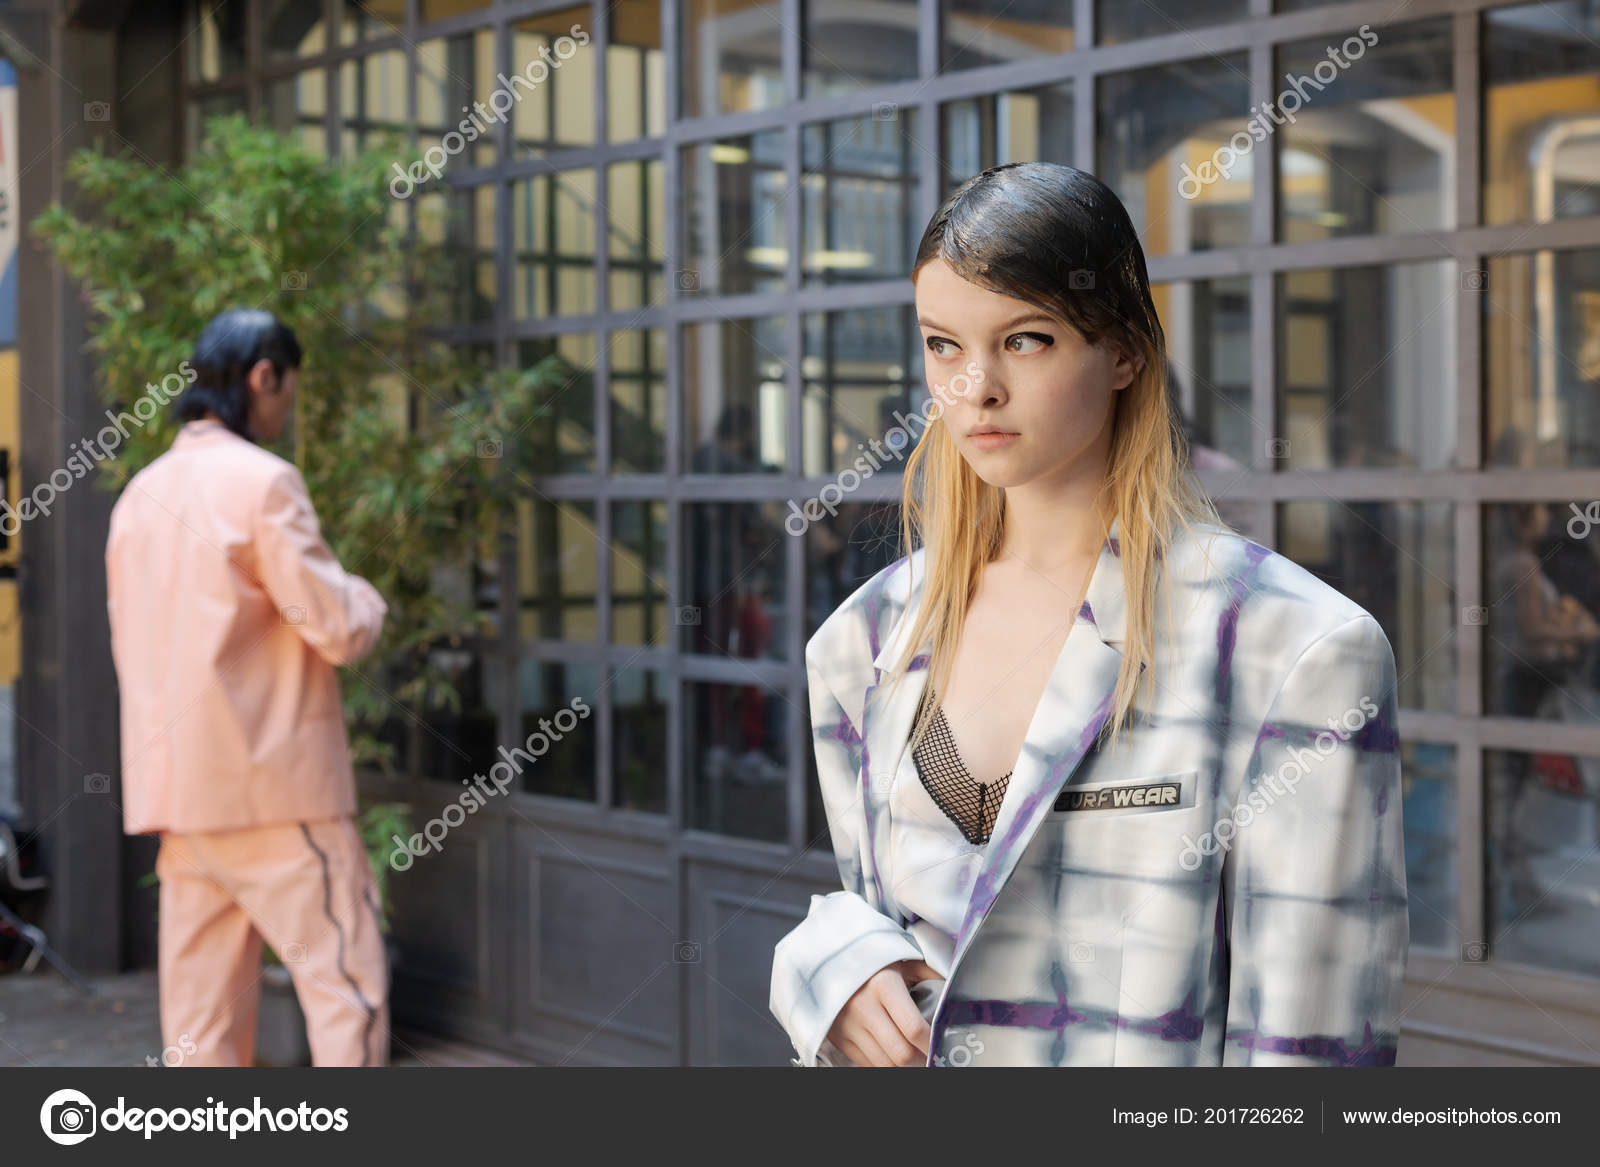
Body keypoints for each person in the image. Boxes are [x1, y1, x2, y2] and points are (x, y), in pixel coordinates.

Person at [768, 162, 1409, 1068]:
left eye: (1025, 339)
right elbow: (883, 933)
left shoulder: (1295, 650)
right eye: (943, 345)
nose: (975, 387)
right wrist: (831, 965)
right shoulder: (862, 639)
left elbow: (1313, 1049)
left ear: (1125, 352)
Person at [105, 309, 390, 1067]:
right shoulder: (264, 483)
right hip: (277, 795)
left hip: (180, 798)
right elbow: (336, 626)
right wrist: (365, 597)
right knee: (346, 993)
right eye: (287, 389)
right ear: (265, 376)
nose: (286, 408)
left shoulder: (139, 496)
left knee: (200, 1023)